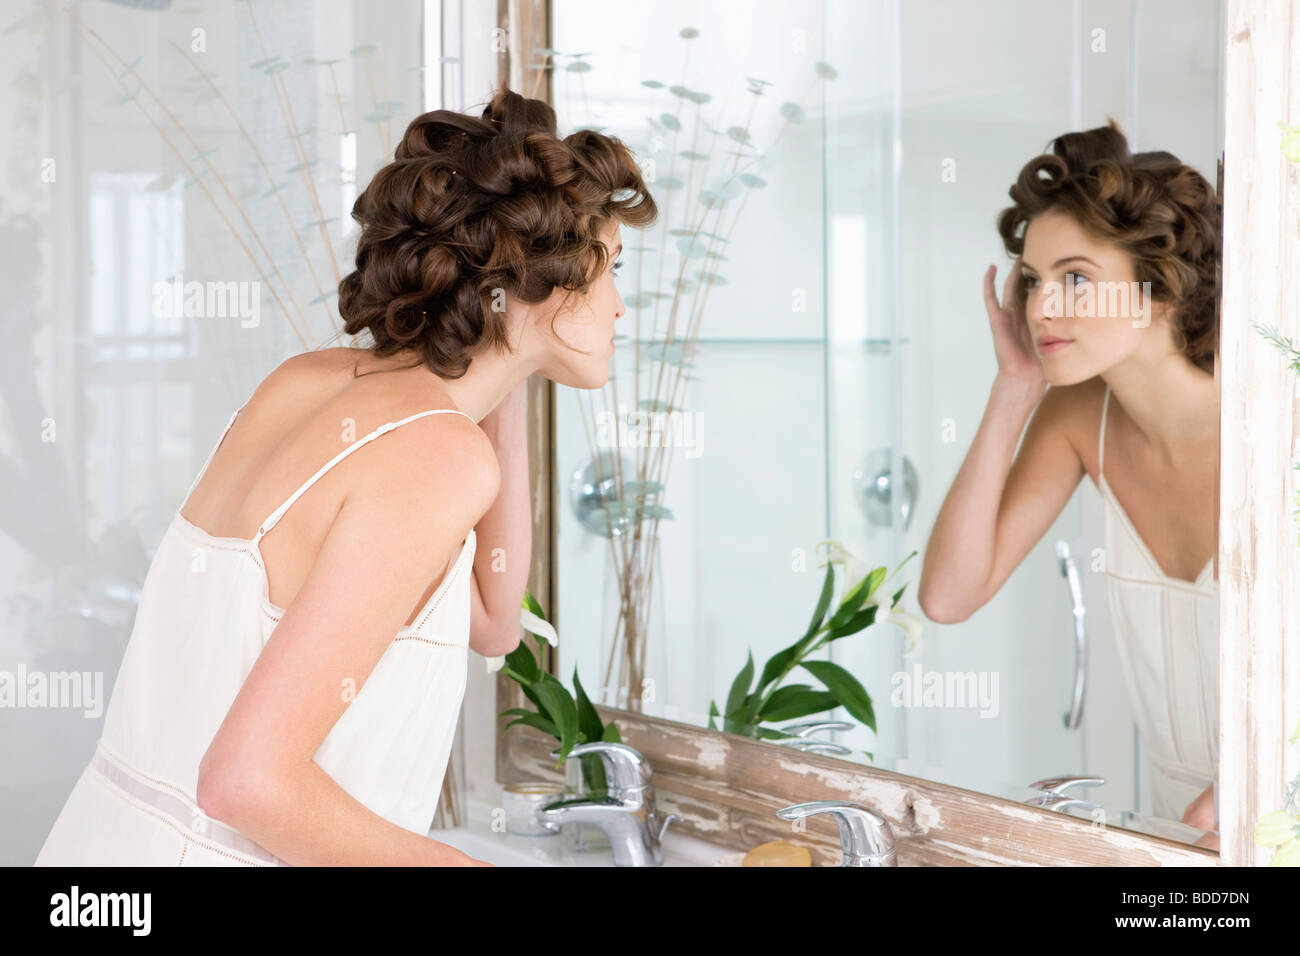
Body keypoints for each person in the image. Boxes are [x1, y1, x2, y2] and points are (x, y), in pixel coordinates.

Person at [34, 86, 657, 866]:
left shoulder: (310, 382)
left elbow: (493, 619)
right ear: (543, 276)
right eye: (612, 269)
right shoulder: (432, 453)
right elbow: (246, 784)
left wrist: (507, 359)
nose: (621, 307)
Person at [917, 118, 1221, 847]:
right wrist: (1015, 389)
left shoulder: (1278, 431)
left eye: (1075, 278)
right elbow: (949, 595)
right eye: (1032, 281)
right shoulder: (1081, 415)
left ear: (1159, 290)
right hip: (1178, 829)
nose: (1041, 307)